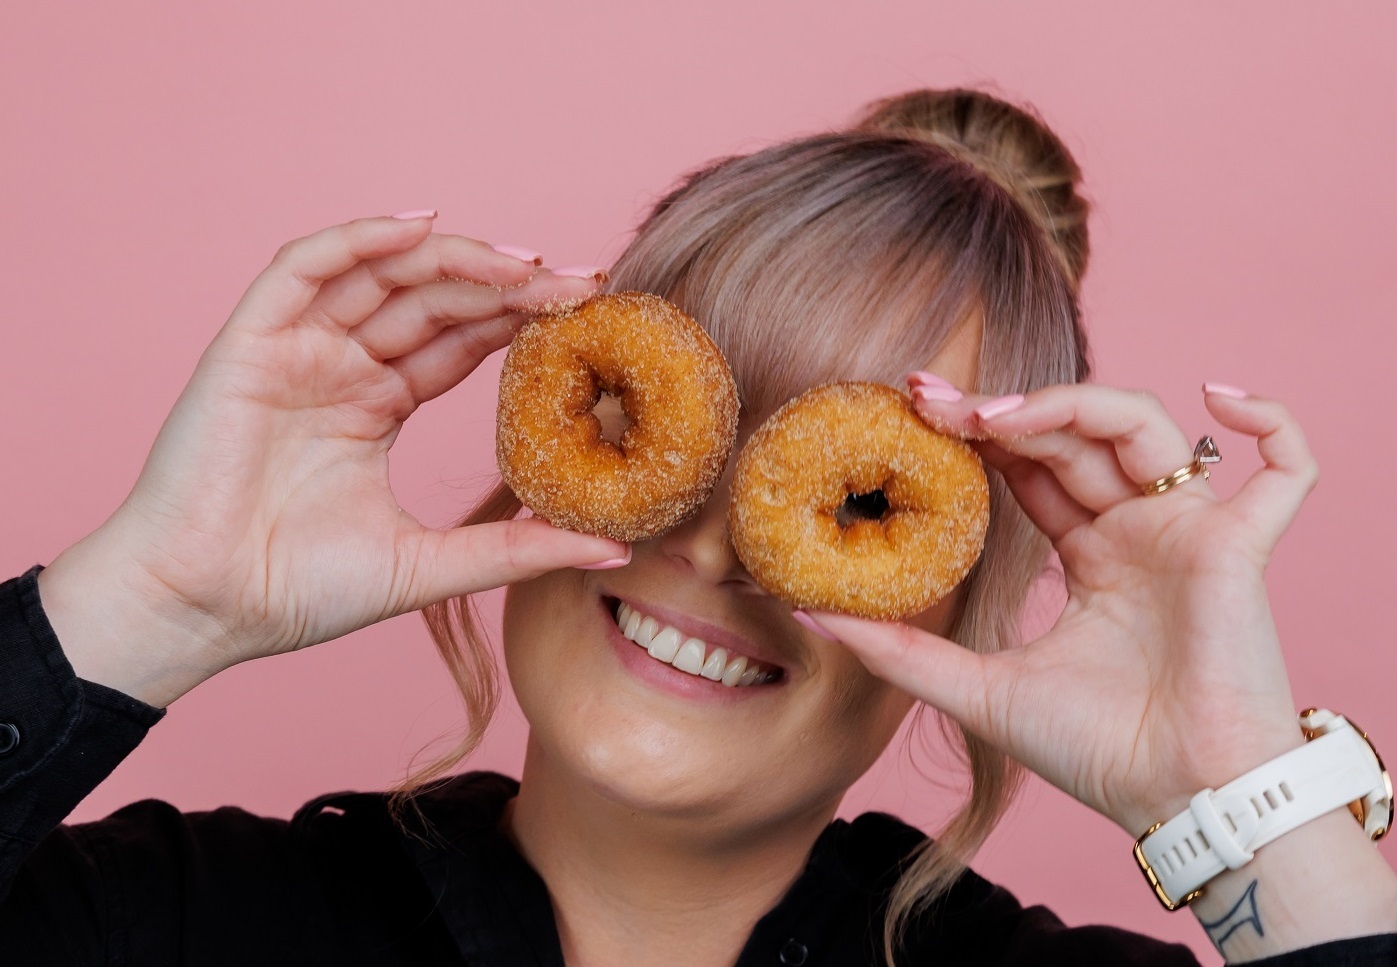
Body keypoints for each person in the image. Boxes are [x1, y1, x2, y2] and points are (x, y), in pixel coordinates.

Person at [1, 89, 1393, 966]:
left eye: (851, 499)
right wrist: (152, 601)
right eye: (670, 448)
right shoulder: (165, 923)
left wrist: (1237, 799)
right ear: (543, 458)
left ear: (967, 603)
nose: (721, 551)